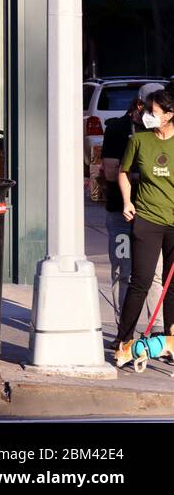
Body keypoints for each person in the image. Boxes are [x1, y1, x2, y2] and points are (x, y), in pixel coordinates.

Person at [115, 88, 174, 357]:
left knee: (172, 284)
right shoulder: (139, 140)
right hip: (147, 219)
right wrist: (128, 202)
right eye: (146, 111)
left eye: (154, 112)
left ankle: (169, 341)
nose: (148, 115)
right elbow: (124, 172)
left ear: (169, 115)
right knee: (141, 280)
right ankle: (124, 341)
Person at [100, 82, 164, 317]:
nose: (157, 114)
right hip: (121, 213)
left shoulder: (160, 132)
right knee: (123, 270)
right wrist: (147, 174)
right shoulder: (117, 128)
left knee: (155, 274)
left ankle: (157, 330)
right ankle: (124, 333)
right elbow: (110, 170)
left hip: (153, 214)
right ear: (139, 105)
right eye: (153, 108)